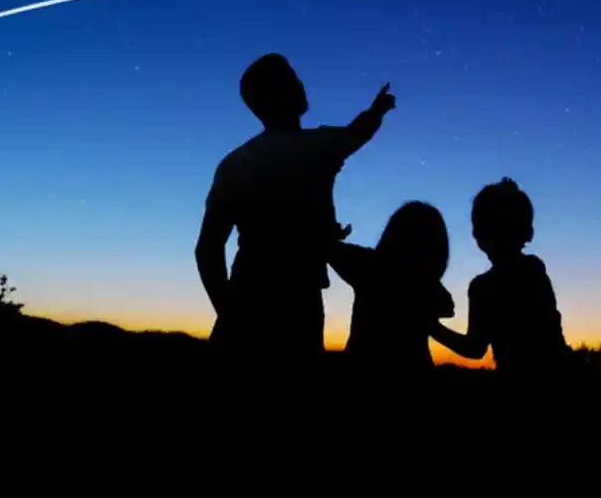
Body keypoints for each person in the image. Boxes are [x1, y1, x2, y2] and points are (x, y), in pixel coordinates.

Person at [194, 53, 395, 367]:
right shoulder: (317, 147)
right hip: (295, 302)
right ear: (274, 96)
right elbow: (355, 134)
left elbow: (208, 247)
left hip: (250, 294)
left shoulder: (235, 163)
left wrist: (230, 314)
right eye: (289, 80)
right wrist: (377, 112)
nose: (300, 85)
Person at [431, 178, 571, 372]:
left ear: (479, 237)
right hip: (563, 375)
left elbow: (474, 348)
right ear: (528, 231)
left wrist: (432, 327)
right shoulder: (535, 268)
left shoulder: (483, 287)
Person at [328, 201, 455, 371]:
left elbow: (327, 247)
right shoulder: (429, 285)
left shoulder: (368, 265)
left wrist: (335, 234)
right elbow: (447, 308)